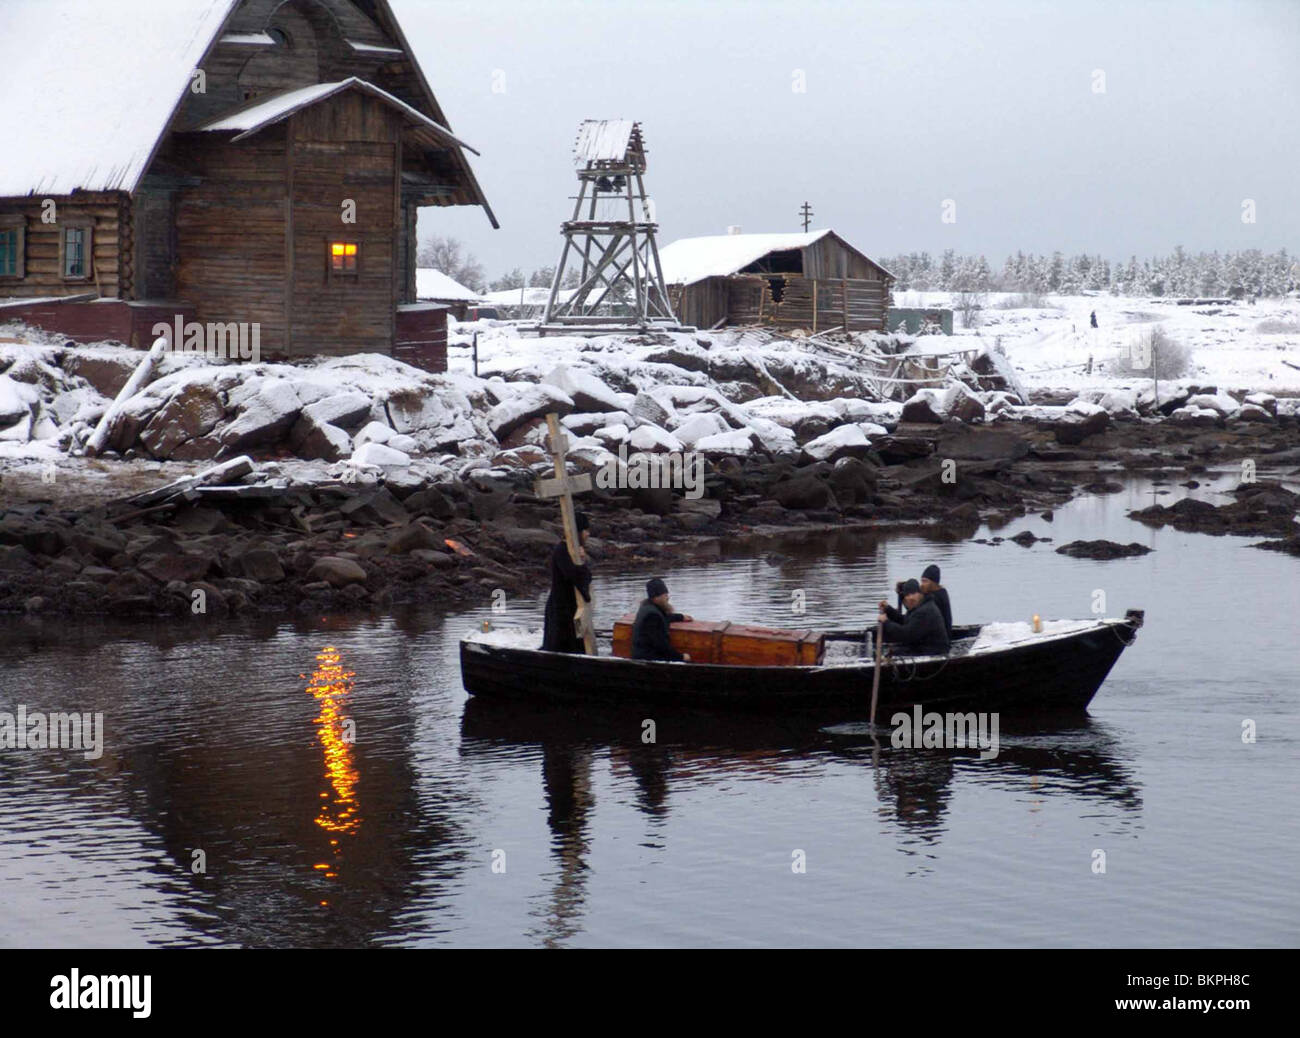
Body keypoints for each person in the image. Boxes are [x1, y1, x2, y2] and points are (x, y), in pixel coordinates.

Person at [541, 512, 592, 654]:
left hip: (570, 608)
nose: (588, 534)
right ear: (578, 532)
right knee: (560, 650)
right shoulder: (562, 550)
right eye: (585, 531)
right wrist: (582, 563)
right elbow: (577, 577)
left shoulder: (572, 551)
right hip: (561, 611)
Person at [877, 579, 949, 656]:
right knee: (895, 650)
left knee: (894, 654)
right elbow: (905, 621)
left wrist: (886, 622)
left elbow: (906, 635)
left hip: (934, 651)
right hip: (923, 647)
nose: (910, 597)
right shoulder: (918, 606)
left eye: (913, 593)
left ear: (920, 593)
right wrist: (889, 610)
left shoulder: (925, 611)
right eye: (907, 595)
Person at [631, 578, 694, 662]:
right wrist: (680, 657)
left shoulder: (647, 608)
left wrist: (681, 617)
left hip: (644, 655)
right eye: (665, 595)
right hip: (649, 659)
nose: (668, 598)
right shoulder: (652, 616)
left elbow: (664, 617)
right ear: (657, 597)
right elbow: (661, 645)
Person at [919, 564, 953, 636]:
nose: (922, 585)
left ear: (934, 583)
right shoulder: (942, 591)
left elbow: (916, 611)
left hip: (939, 638)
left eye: (925, 581)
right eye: (922, 581)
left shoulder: (936, 598)